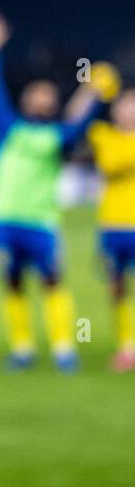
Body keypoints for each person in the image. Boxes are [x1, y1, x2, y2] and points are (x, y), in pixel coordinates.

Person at [0, 10, 102, 372]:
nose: (40, 98)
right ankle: (22, 348)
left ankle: (63, 348)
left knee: (52, 280)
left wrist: (91, 91)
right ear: (26, 101)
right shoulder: (8, 127)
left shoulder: (57, 137)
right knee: (12, 282)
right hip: (2, 216)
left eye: (47, 95)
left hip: (40, 220)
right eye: (35, 94)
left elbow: (79, 123)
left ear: (53, 104)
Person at [85, 83, 135, 371]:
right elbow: (109, 165)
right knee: (117, 288)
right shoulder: (102, 135)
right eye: (124, 105)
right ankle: (126, 346)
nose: (128, 111)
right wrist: (93, 90)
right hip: (113, 224)